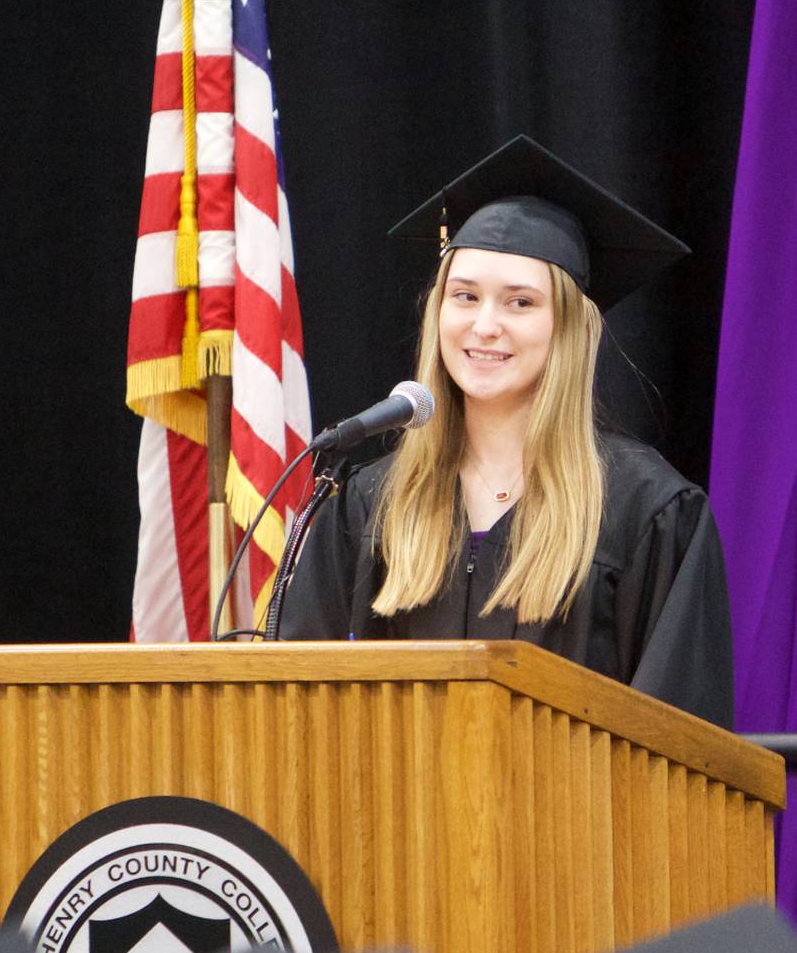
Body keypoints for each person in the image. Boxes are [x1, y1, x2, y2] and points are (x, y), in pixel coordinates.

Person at [278, 136, 734, 728]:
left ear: (569, 328)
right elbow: (300, 713)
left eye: (520, 303)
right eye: (465, 296)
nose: (485, 325)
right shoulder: (368, 504)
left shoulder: (647, 512)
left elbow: (679, 741)